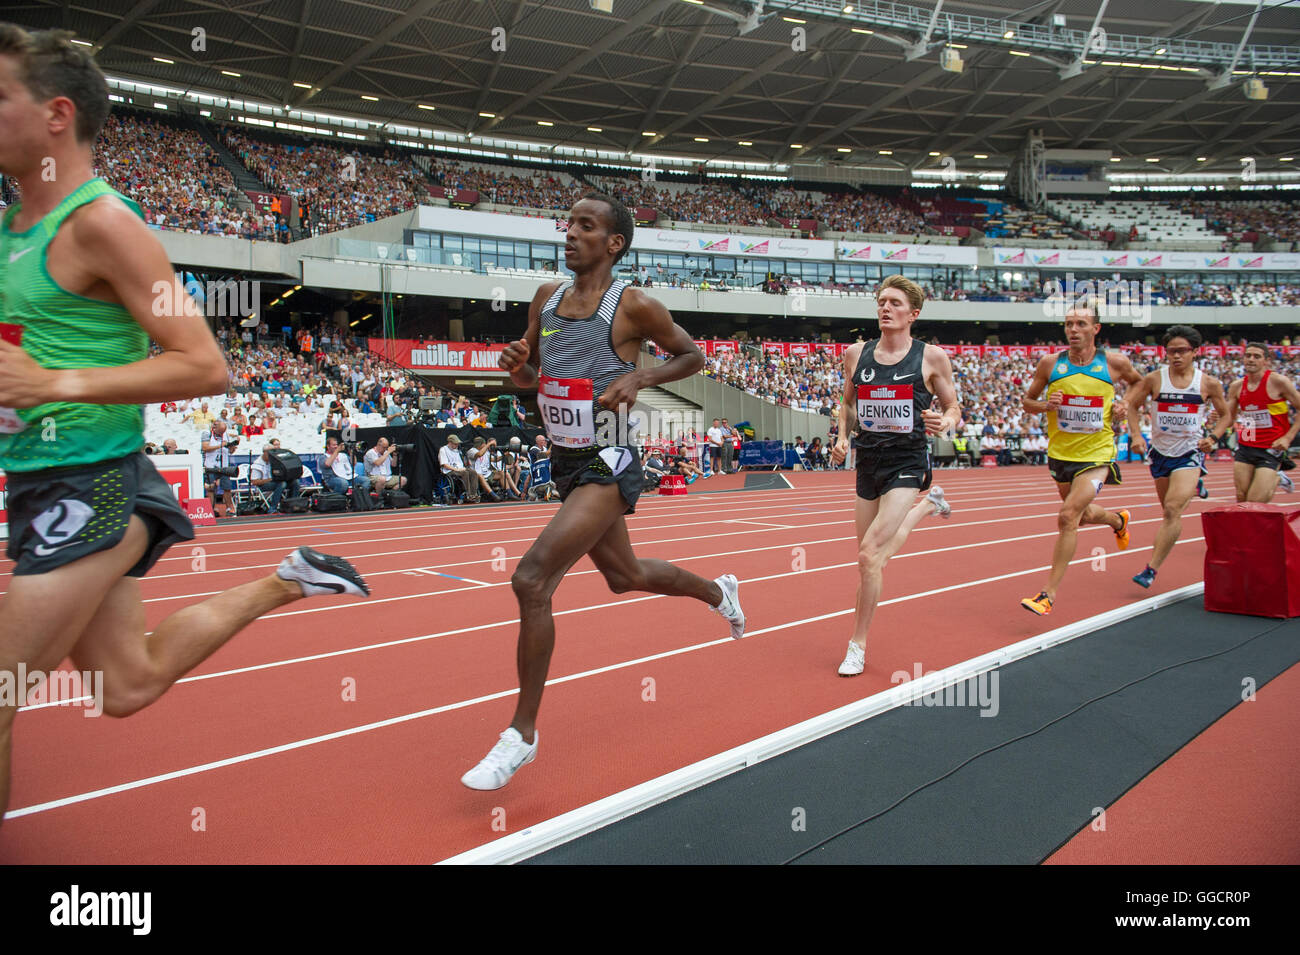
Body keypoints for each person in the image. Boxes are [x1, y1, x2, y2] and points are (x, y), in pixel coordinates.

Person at [0, 24, 369, 823]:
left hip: (94, 483)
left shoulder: (103, 223)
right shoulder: (13, 231)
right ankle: (289, 578)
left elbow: (205, 363)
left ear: (56, 115)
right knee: (125, 683)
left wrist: (51, 381)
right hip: (39, 483)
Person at [462, 192, 745, 790]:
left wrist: (640, 375)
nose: (569, 234)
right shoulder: (546, 298)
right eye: (568, 224)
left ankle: (522, 735)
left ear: (613, 243)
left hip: (610, 457)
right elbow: (535, 378)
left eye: (584, 227)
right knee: (626, 575)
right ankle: (717, 591)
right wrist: (517, 366)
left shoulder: (633, 305)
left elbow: (693, 356)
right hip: (566, 460)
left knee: (531, 579)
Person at [830, 275, 960, 676]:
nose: (885, 308)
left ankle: (857, 645)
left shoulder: (931, 357)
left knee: (870, 555)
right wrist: (841, 437)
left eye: (895, 303)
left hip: (907, 460)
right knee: (872, 560)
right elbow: (847, 404)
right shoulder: (856, 354)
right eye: (881, 301)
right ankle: (927, 508)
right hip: (868, 460)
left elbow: (954, 406)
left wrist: (945, 422)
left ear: (913, 314)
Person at [1019, 300, 1143, 616]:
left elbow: (1139, 383)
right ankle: (1118, 520)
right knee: (1081, 515)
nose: (1073, 329)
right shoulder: (1050, 364)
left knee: (1067, 516)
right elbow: (1027, 401)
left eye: (1081, 324)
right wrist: (1046, 405)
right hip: (1060, 454)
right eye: (1069, 324)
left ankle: (1047, 595)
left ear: (1096, 329)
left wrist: (1124, 403)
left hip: (1097, 454)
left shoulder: (1114, 363)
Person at [1125, 325, 1229, 589]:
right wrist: (1136, 436)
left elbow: (1226, 414)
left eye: (1181, 351)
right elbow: (1131, 407)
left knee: (1172, 510)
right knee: (1167, 511)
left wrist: (1214, 438)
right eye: (1171, 351)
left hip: (1190, 452)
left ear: (1195, 352)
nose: (1176, 356)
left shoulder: (1207, 383)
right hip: (1160, 453)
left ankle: (1150, 569)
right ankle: (1196, 486)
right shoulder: (1154, 379)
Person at [1206, 342, 1300, 502]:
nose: (1251, 359)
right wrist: (1219, 417)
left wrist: (1288, 438)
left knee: (1256, 501)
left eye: (1256, 356)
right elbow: (1229, 419)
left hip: (1271, 447)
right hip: (1247, 444)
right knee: (1242, 498)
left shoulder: (1279, 382)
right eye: (1248, 355)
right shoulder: (1237, 386)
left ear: (1266, 361)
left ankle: (1277, 478)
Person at [249, 442, 301, 512]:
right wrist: (270, 479)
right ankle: (273, 508)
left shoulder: (275, 461)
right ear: (265, 453)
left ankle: (293, 505)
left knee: (296, 482)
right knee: (282, 484)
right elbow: (254, 482)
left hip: (276, 481)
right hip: (264, 485)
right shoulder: (257, 464)